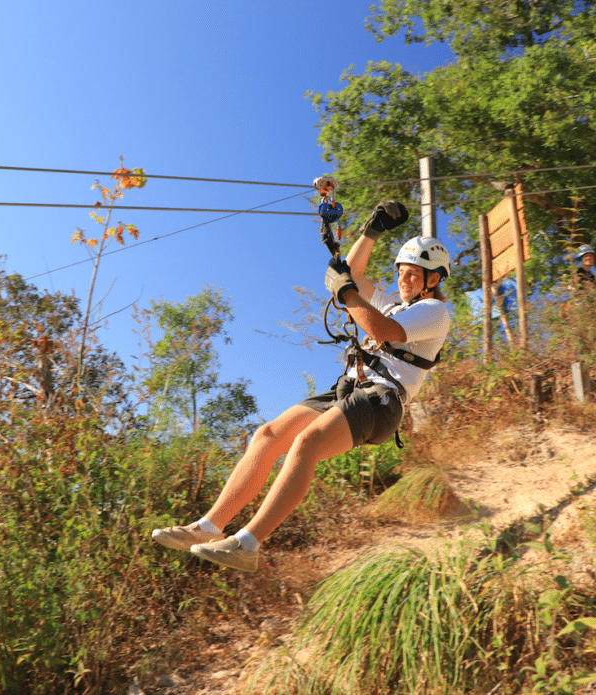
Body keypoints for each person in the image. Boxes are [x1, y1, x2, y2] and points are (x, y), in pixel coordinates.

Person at [150, 202, 452, 572]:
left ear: (433, 279)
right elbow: (351, 274)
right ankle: (208, 527)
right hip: (350, 387)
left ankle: (247, 543)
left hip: (381, 400)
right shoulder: (390, 303)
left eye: (413, 275)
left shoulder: (435, 312)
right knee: (268, 434)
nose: (403, 280)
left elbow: (379, 330)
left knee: (306, 443)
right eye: (401, 273)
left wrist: (346, 295)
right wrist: (372, 231)